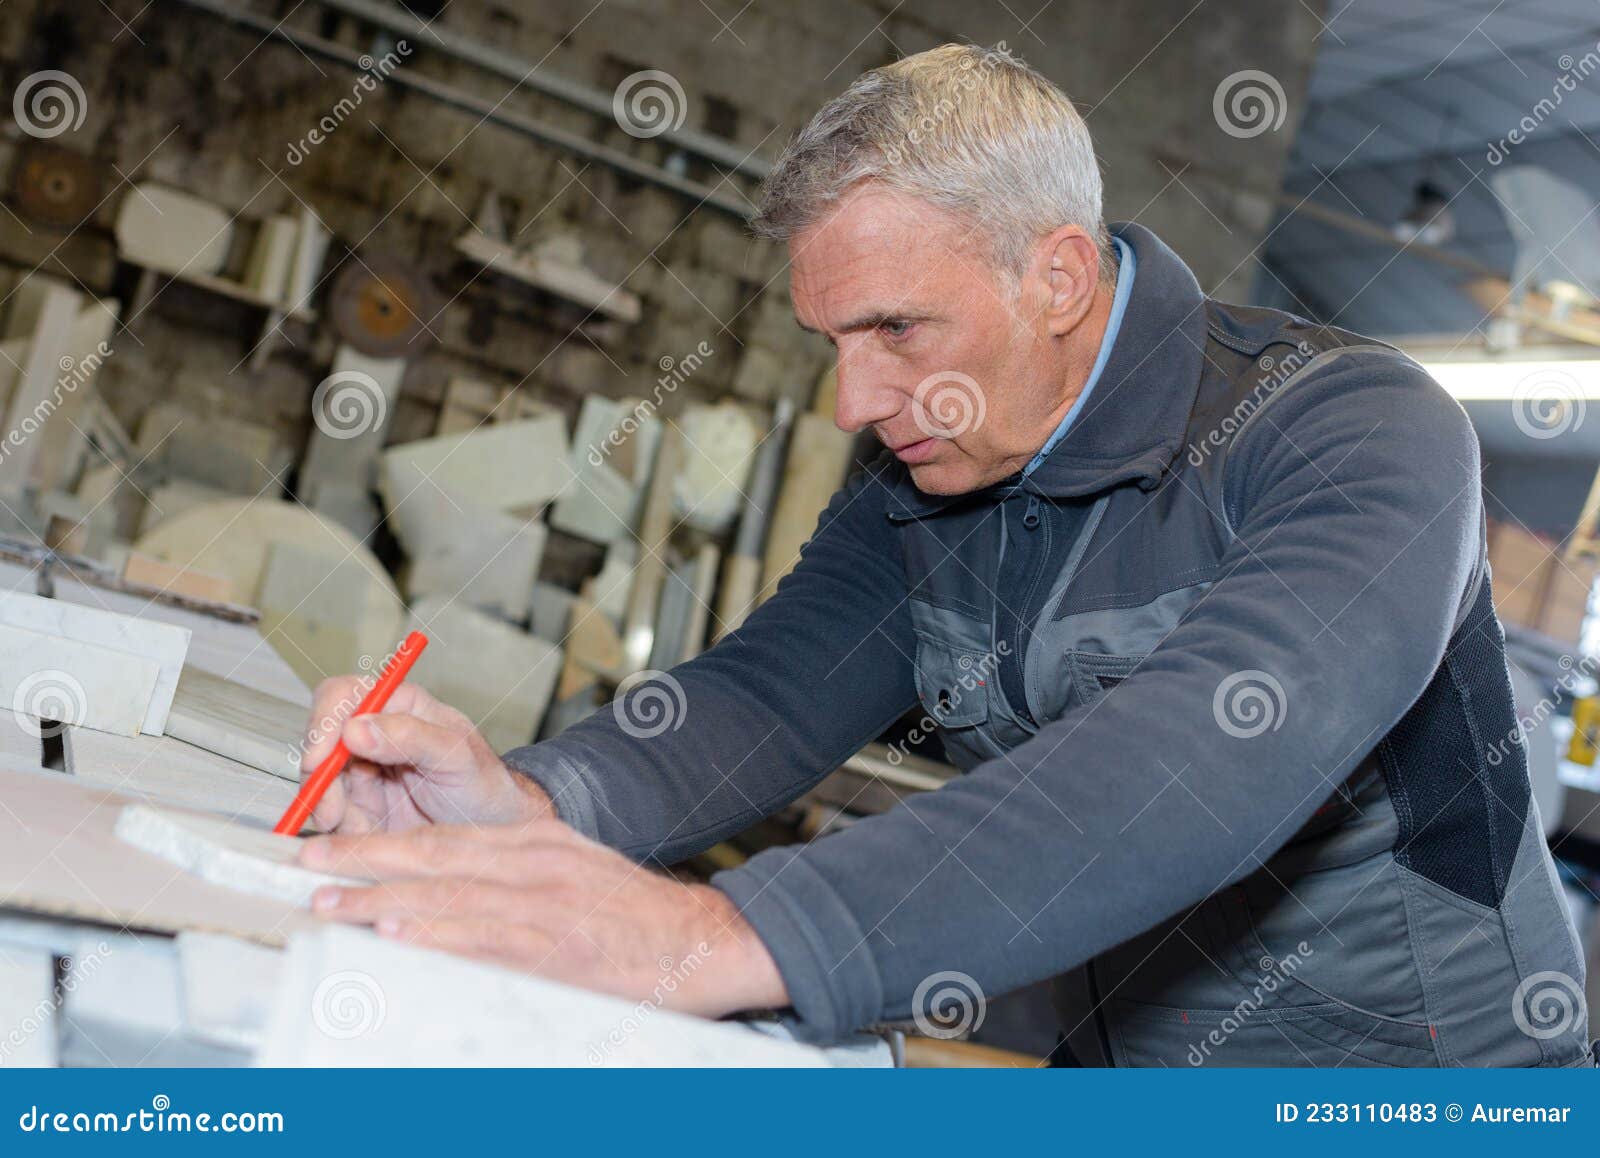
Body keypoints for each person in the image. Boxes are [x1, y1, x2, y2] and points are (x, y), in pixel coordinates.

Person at [295, 44, 1592, 1066]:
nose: (854, 399)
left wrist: (719, 930)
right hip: (1135, 1051)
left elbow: (1188, 763)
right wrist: (535, 801)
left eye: (897, 329)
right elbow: (766, 691)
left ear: (1060, 277)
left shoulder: (1350, 434)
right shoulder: (930, 464)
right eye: (834, 341)